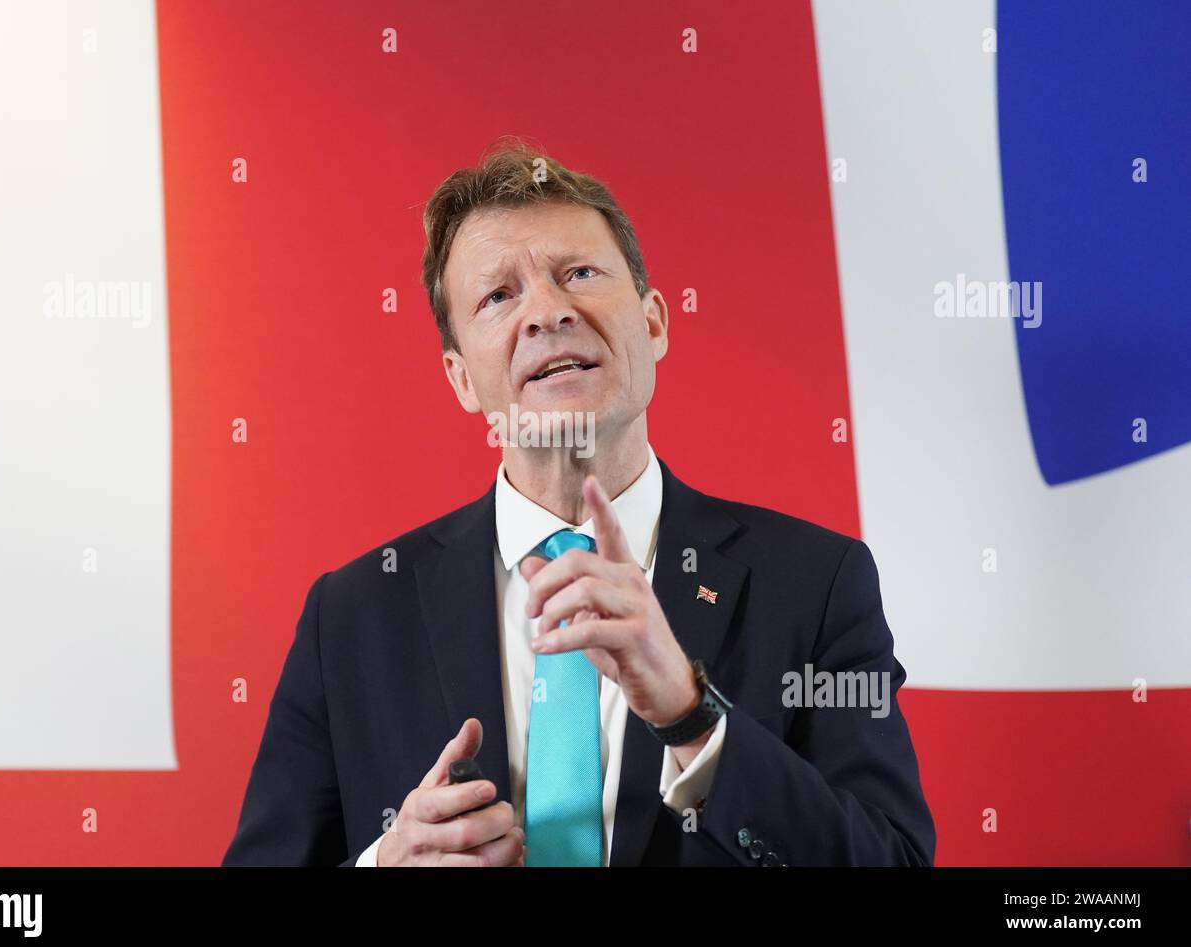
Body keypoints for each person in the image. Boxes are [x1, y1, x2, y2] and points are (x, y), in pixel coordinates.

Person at [222, 141, 936, 866]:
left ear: (654, 324)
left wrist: (695, 719)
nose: (547, 313)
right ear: (461, 378)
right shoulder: (351, 617)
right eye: (499, 295)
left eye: (580, 273)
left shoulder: (817, 584)